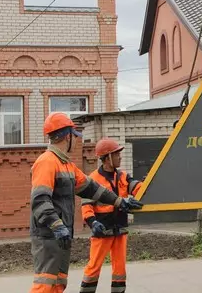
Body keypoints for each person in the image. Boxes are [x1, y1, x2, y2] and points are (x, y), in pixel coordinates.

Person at [29, 112, 143, 293]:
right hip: (49, 235)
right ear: (68, 136)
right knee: (45, 285)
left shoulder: (66, 164)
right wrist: (58, 226)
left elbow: (92, 189)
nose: (75, 140)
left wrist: (119, 202)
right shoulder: (47, 162)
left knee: (58, 284)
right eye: (74, 136)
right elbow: (40, 200)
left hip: (61, 234)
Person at [79, 138, 143, 293]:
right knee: (93, 267)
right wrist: (93, 223)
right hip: (102, 230)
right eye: (117, 154)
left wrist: (148, 185)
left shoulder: (122, 176)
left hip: (119, 230)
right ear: (107, 158)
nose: (120, 157)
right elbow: (86, 206)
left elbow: (137, 188)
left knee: (120, 270)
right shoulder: (93, 179)